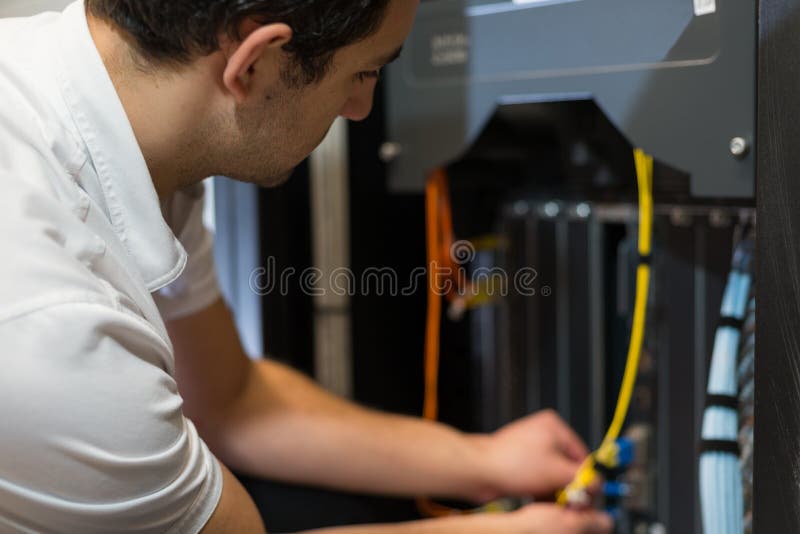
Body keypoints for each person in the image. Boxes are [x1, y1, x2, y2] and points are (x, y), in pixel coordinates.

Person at [0, 1, 614, 532]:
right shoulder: (57, 325)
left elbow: (232, 399)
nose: (362, 107)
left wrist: (482, 462)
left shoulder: (125, 134)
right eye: (364, 71)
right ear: (255, 64)